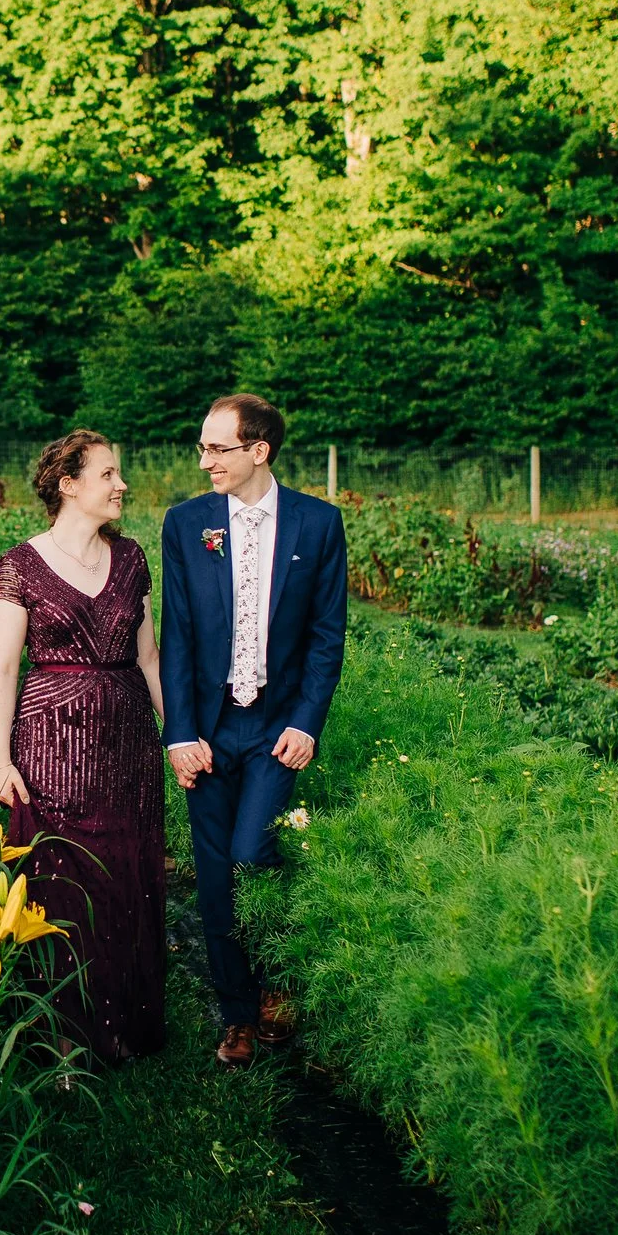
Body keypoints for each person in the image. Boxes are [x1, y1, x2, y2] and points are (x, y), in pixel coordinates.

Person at [160, 393, 347, 1065]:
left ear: (259, 450)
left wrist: (307, 721)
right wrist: (179, 732)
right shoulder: (187, 524)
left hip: (275, 731)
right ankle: (237, 1010)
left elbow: (328, 636)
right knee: (214, 872)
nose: (204, 459)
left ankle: (276, 982)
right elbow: (176, 636)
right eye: (204, 447)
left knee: (250, 855)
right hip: (208, 730)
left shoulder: (319, 524)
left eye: (218, 448)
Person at [0, 430, 168, 1062]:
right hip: (49, 744)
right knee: (60, 878)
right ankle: (61, 1035)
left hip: (128, 744)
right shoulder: (20, 564)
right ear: (69, 484)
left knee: (127, 873)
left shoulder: (134, 558)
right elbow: (4, 669)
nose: (122, 485)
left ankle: (128, 1025)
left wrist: (177, 737)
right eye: (109, 474)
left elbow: (148, 658)